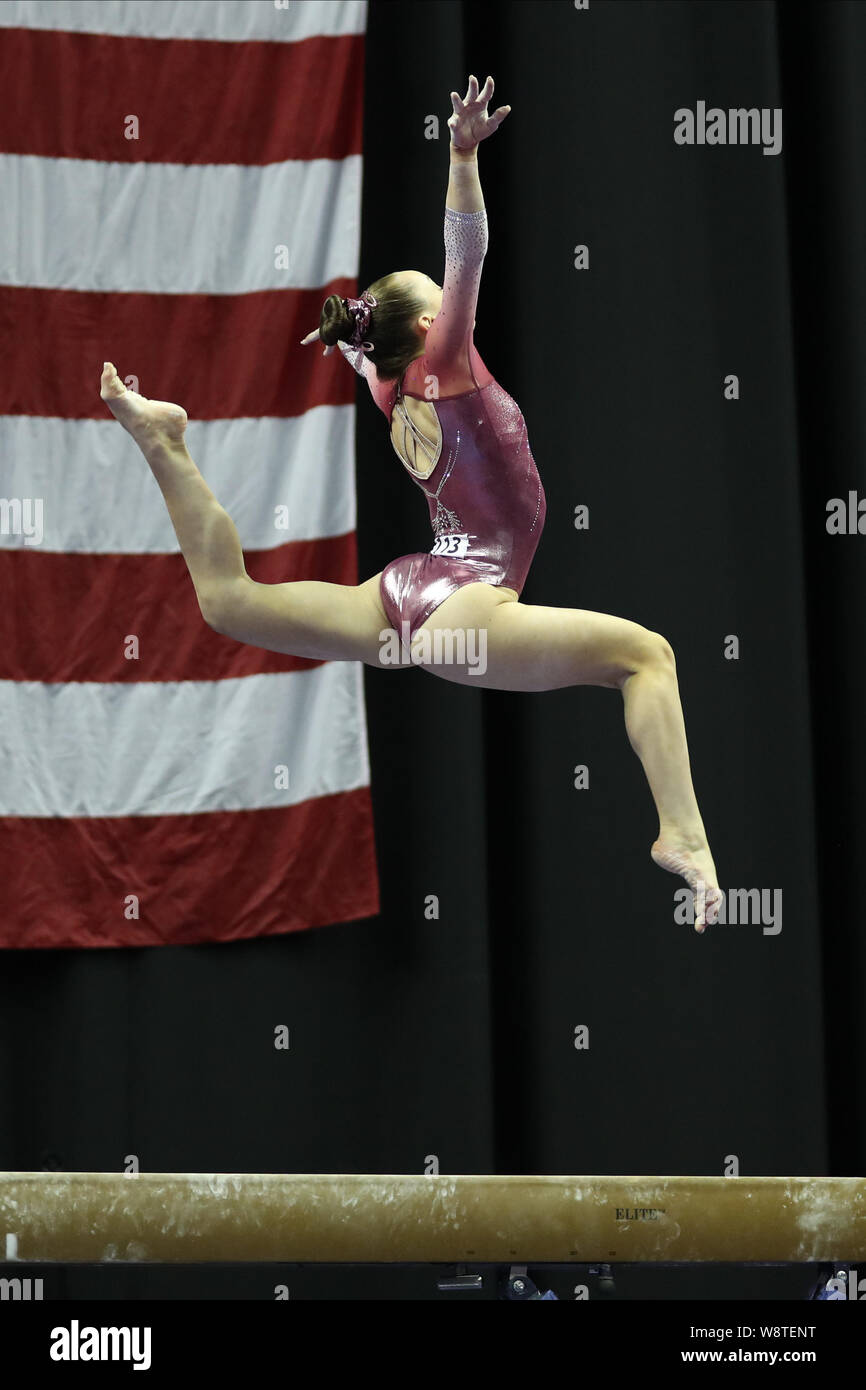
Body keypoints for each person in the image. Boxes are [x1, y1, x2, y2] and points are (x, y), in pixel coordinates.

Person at [100, 75, 721, 931]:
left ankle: (163, 444)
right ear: (430, 323)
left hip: (407, 598)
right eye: (436, 301)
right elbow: (466, 250)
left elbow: (369, 337)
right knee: (647, 656)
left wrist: (348, 331)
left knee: (229, 601)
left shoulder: (391, 389)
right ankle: (683, 832)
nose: (451, 301)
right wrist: (462, 156)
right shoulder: (442, 362)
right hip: (465, 600)